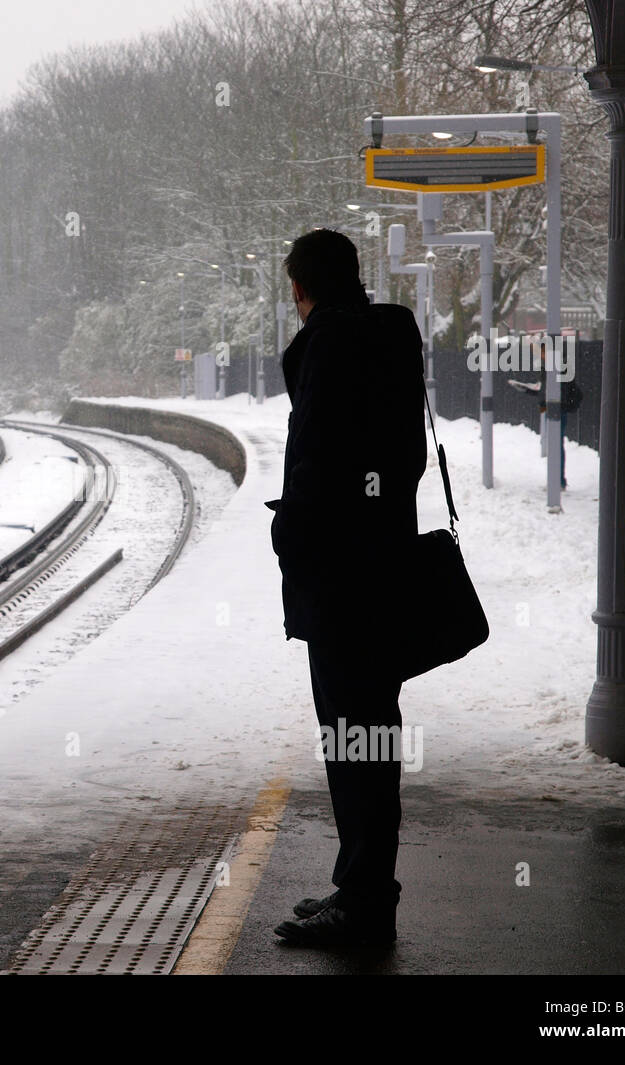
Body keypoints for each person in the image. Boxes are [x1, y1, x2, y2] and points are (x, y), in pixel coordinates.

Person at [266, 228, 427, 947]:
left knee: (353, 735)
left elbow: (315, 465)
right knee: (371, 731)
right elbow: (402, 459)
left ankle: (365, 904)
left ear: (303, 291)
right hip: (384, 565)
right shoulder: (392, 336)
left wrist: (292, 537)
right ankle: (360, 883)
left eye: (293, 292)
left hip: (340, 579)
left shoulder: (330, 346)